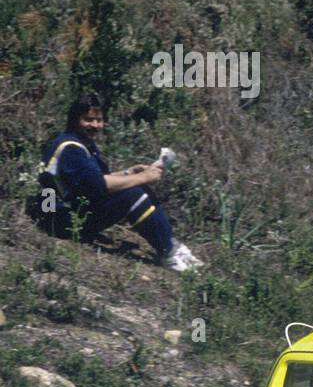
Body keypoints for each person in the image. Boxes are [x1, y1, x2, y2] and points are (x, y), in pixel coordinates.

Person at [33, 95, 203, 272]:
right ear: (75, 120)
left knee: (133, 187)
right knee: (135, 193)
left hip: (61, 213)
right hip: (57, 220)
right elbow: (99, 186)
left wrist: (128, 173)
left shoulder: (76, 143)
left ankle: (171, 246)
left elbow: (92, 180)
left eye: (99, 120)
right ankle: (168, 252)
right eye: (88, 119)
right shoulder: (70, 149)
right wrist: (143, 178)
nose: (95, 125)